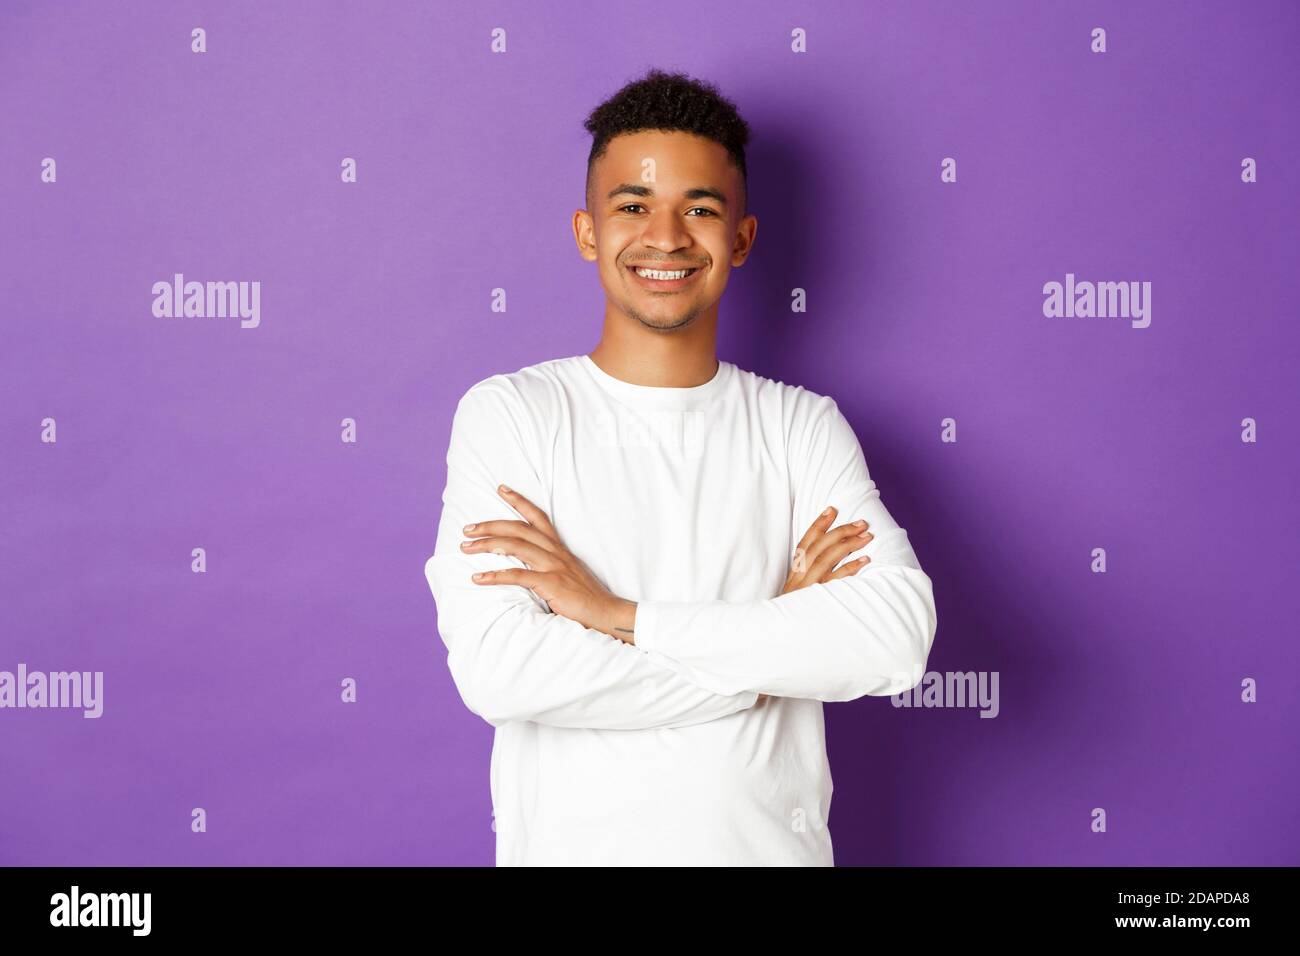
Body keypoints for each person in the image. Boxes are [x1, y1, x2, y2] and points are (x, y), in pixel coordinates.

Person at [424, 68, 937, 866]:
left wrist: (617, 615)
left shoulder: (801, 426)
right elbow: (501, 672)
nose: (665, 238)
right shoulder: (513, 414)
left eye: (699, 209)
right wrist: (769, 654)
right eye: (633, 207)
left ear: (741, 237)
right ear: (588, 231)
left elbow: (894, 643)